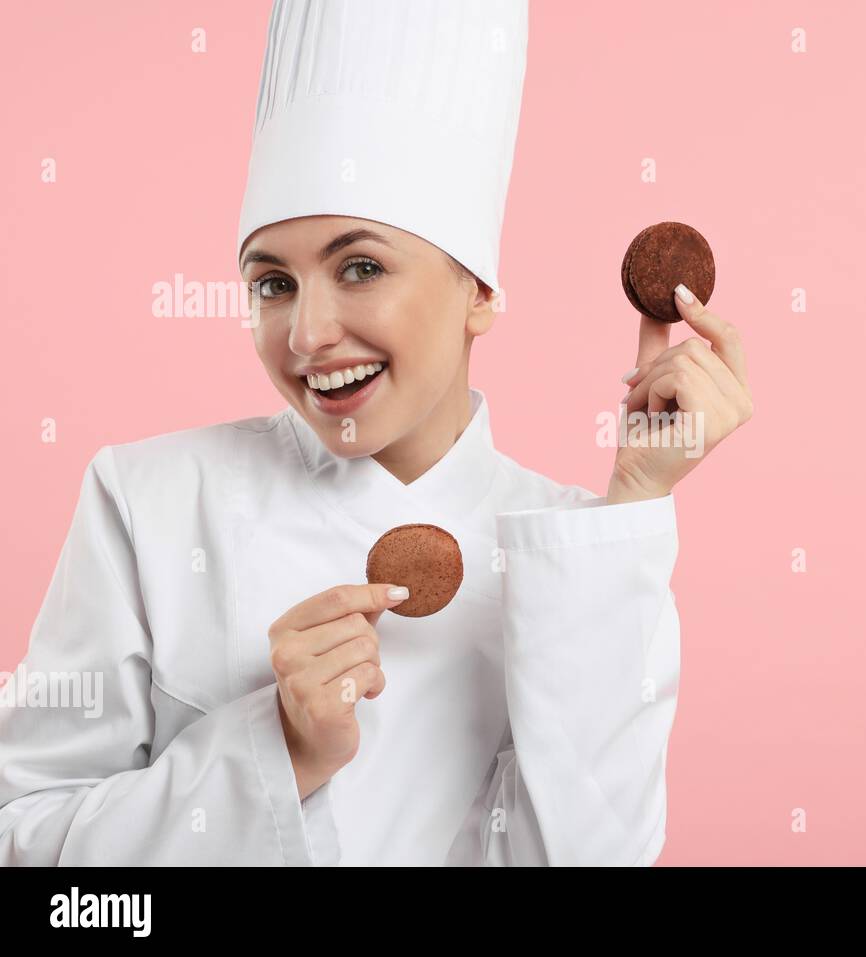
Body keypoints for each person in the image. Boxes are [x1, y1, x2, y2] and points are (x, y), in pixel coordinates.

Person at [0, 0, 751, 866]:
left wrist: (636, 498)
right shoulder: (148, 503)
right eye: (273, 282)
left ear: (479, 293)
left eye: (360, 268)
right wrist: (272, 752)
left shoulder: (588, 557)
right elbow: (34, 855)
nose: (307, 333)